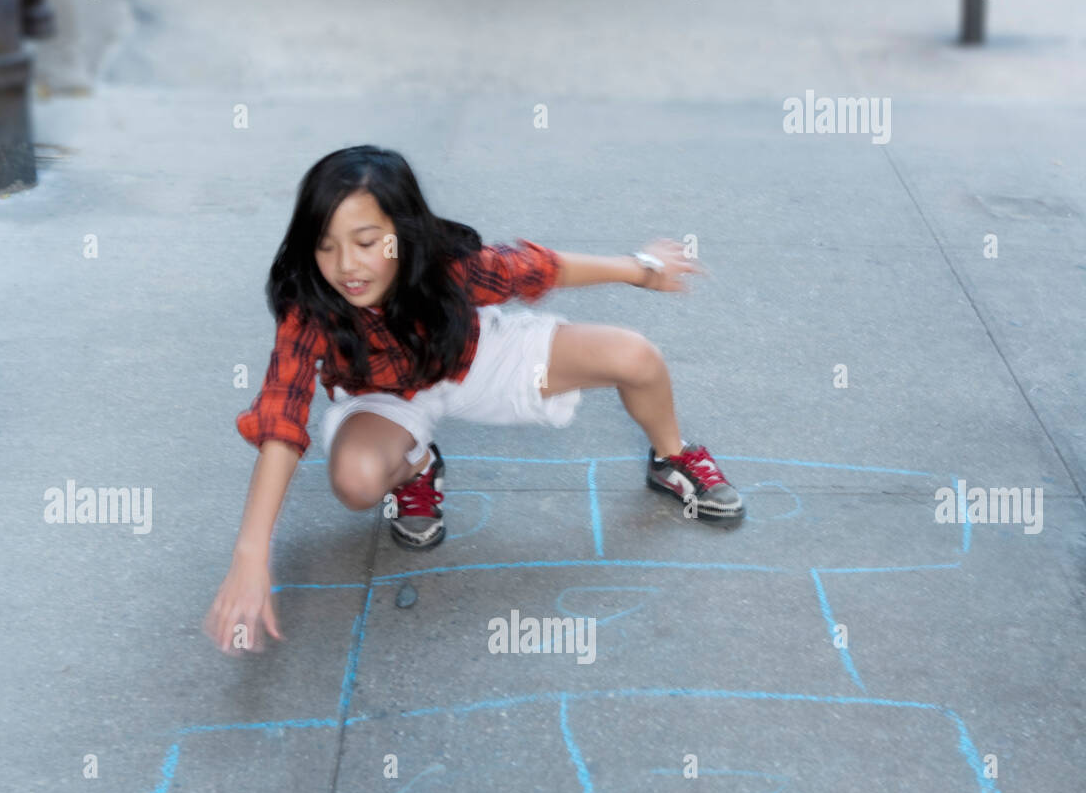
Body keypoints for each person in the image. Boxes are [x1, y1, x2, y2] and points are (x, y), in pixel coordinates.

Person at [204, 145, 744, 655]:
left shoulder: (448, 266)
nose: (346, 264)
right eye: (326, 245)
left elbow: (541, 267)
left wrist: (642, 269)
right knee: (356, 481)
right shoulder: (310, 305)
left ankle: (672, 458)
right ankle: (415, 467)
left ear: (404, 234)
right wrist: (251, 554)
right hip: (382, 398)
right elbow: (281, 416)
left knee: (637, 357)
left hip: (474, 358)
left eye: (366, 242)